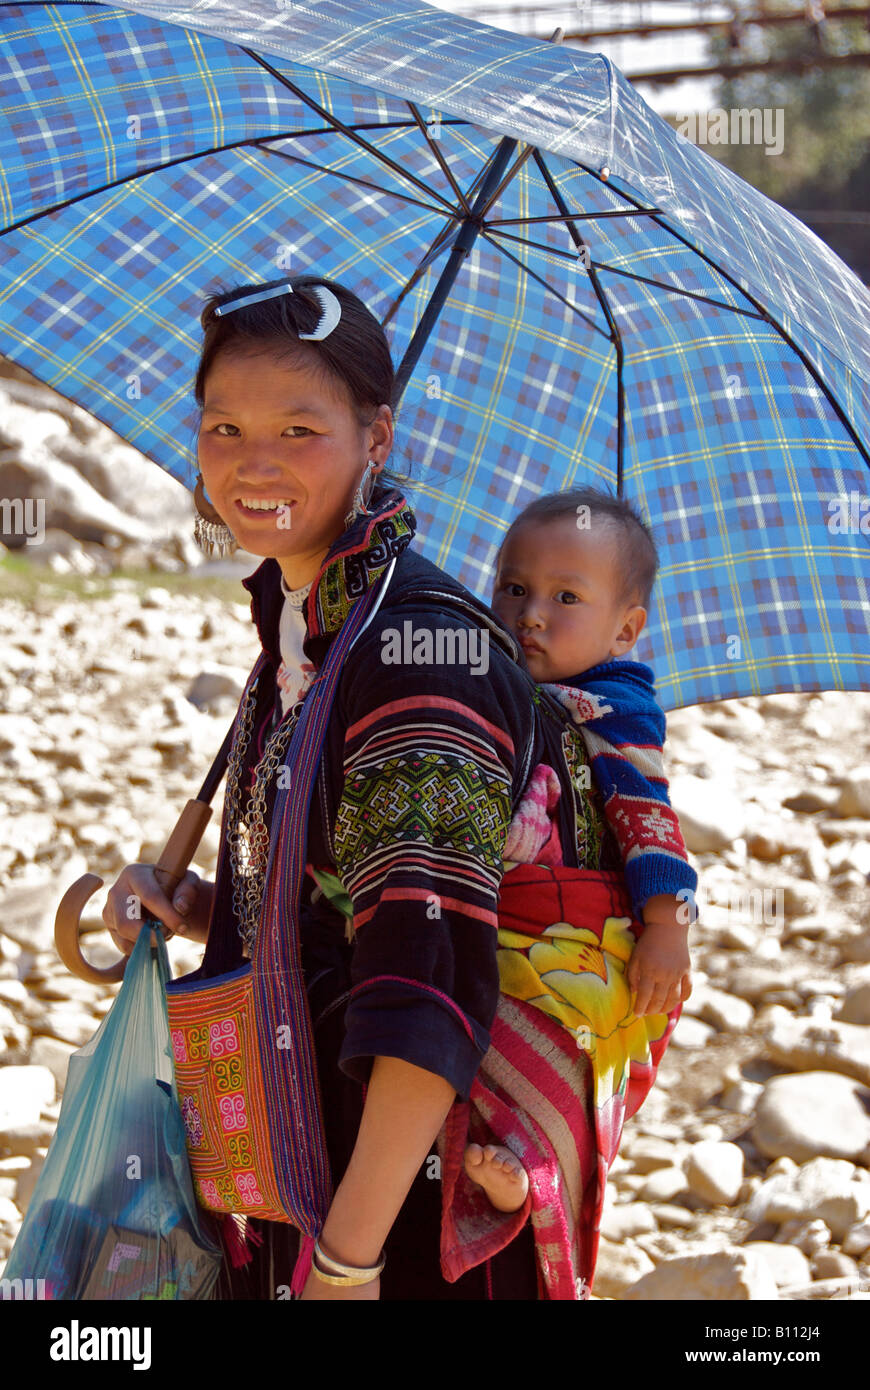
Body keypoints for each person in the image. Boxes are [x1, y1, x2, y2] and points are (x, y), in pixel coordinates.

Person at [102, 273, 617, 1300]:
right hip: (309, 1158)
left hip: (404, 1211)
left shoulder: (424, 656)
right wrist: (206, 907)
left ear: (376, 438)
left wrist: (345, 1262)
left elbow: (429, 980)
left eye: (301, 430)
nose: (254, 462)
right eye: (224, 425)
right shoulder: (306, 627)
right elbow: (342, 903)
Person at [459, 487, 697, 1217]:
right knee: (481, 1045)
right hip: (517, 929)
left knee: (584, 1052)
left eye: (566, 597)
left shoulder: (615, 709)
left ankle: (542, 1173)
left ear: (625, 630)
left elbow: (648, 816)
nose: (531, 612)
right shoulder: (495, 685)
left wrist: (666, 926)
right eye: (515, 588)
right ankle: (503, 1158)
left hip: (590, 941)